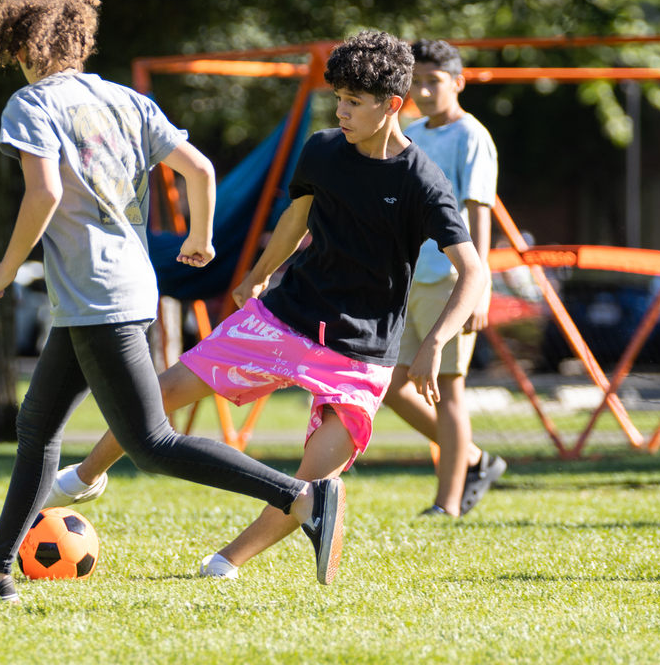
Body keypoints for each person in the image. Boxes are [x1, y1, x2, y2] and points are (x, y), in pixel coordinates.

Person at [0, 0, 345, 602]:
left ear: (22, 42)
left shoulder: (32, 104)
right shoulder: (126, 100)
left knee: (152, 443)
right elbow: (201, 169)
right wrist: (202, 237)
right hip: (115, 290)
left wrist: (4, 266)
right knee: (38, 429)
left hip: (98, 298)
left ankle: (300, 497)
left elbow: (44, 192)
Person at [50, 30, 487, 579]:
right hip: (287, 315)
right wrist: (258, 276)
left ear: (392, 106)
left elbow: (474, 270)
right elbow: (296, 216)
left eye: (354, 101)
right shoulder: (324, 150)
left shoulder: (425, 182)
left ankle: (226, 561)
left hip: (362, 353)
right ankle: (89, 475)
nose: (341, 111)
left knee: (315, 483)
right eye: (339, 98)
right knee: (159, 392)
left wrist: (435, 343)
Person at [381, 39, 506, 518]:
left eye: (435, 82)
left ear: (458, 82)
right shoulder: (411, 130)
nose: (425, 92)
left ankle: (447, 504)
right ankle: (472, 458)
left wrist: (479, 286)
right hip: (408, 281)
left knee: (448, 387)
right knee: (393, 386)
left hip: (451, 284)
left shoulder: (472, 136)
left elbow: (478, 213)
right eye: (417, 83)